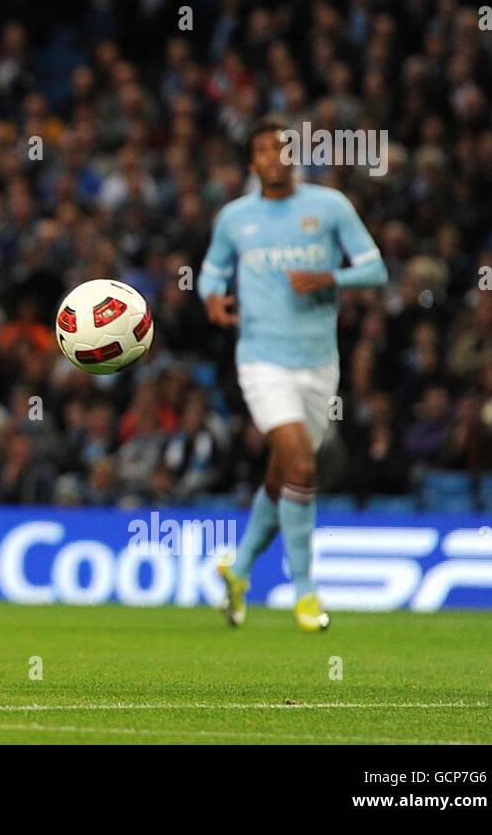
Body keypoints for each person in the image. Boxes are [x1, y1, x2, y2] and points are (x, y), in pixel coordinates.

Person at [198, 115, 388, 632]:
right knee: (302, 463)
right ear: (252, 161)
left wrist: (330, 275)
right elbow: (210, 273)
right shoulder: (236, 218)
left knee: (284, 474)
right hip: (261, 360)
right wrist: (213, 300)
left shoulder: (329, 208)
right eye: (263, 150)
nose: (275, 157)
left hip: (319, 363)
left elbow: (376, 268)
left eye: (283, 148)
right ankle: (305, 593)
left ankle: (237, 572)